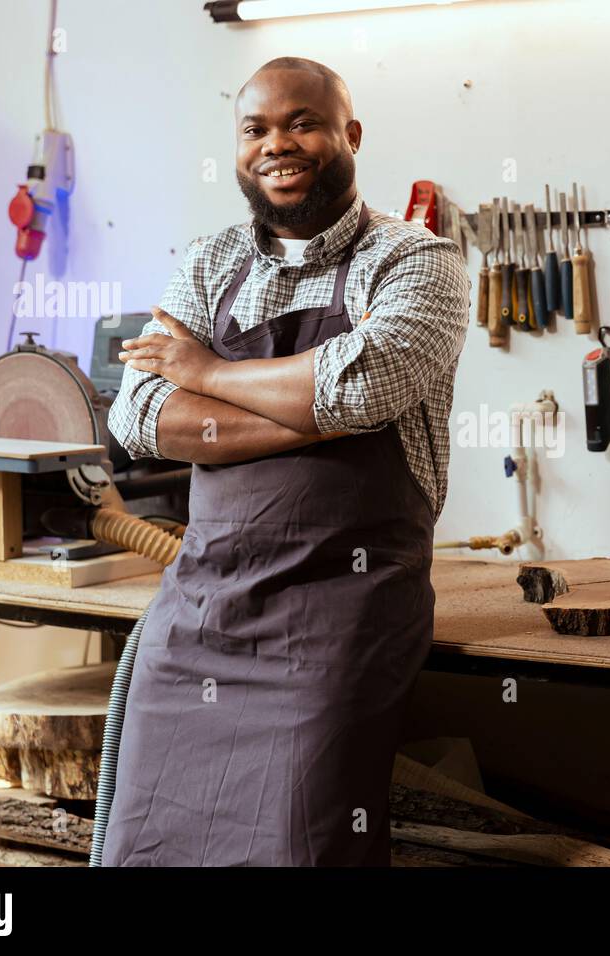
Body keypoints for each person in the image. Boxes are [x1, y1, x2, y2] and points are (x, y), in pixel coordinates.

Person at [101, 56, 470, 866]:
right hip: (202, 612)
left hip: (341, 617)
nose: (279, 144)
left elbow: (364, 385)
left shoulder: (418, 261)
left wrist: (205, 374)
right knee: (148, 847)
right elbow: (138, 417)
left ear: (350, 134)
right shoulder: (209, 262)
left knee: (303, 840)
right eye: (257, 129)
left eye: (302, 122)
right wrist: (309, 405)